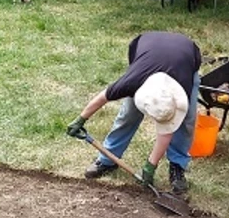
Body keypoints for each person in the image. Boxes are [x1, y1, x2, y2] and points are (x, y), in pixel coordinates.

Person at [66, 31, 200, 194]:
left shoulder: (181, 94)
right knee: (128, 114)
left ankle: (177, 167)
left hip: (185, 57)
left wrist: (150, 166)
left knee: (186, 121)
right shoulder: (131, 82)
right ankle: (108, 159)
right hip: (146, 51)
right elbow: (102, 98)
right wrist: (80, 120)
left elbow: (167, 131)